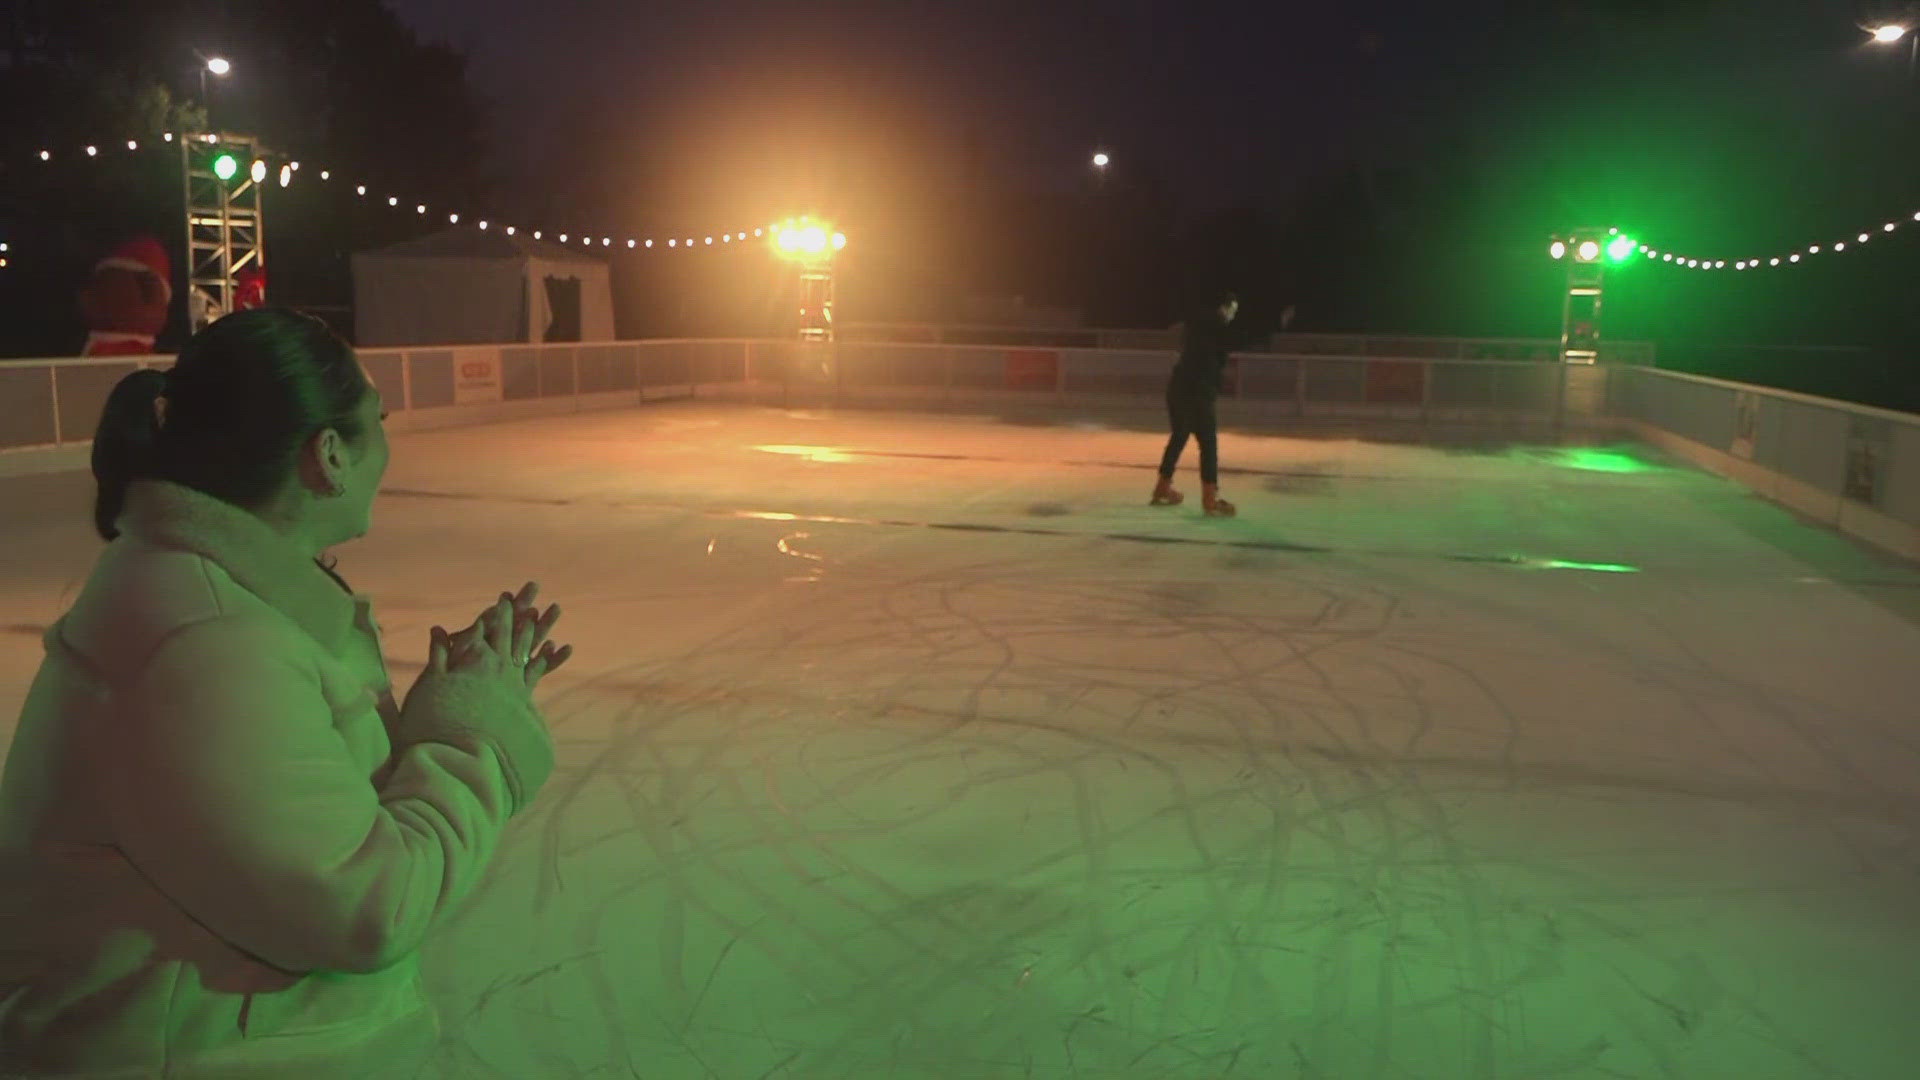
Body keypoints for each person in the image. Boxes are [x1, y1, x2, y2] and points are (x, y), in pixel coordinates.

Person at [0, 308, 573, 1079]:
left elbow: (286, 821)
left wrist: (439, 713)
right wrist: (474, 738)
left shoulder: (227, 605)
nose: (389, 446)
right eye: (381, 421)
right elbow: (368, 907)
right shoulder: (205, 644)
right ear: (330, 455)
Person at [1151, 289, 1240, 516]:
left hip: (1178, 388)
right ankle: (1210, 498)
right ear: (1223, 307)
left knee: (1179, 435)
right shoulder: (1218, 327)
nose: (1233, 314)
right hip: (1198, 391)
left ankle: (1162, 487)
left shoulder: (1196, 324)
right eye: (1232, 309)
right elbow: (1230, 348)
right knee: (1208, 443)